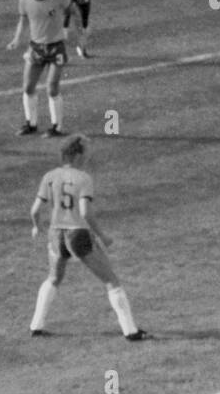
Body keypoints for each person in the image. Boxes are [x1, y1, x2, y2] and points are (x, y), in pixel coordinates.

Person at [29, 135, 148, 340]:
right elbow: (84, 212)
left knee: (54, 278)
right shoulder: (83, 178)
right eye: (85, 152)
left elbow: (35, 210)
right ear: (75, 155)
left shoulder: (49, 176)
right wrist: (102, 236)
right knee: (112, 281)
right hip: (78, 234)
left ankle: (36, 326)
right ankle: (131, 331)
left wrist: (36, 227)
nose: (88, 156)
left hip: (56, 233)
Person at [6, 0, 69, 137]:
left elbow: (72, 9)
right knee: (28, 87)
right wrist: (16, 39)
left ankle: (57, 127)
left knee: (52, 87)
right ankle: (31, 124)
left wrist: (73, 30)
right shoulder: (25, 0)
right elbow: (23, 20)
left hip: (56, 47)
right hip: (36, 48)